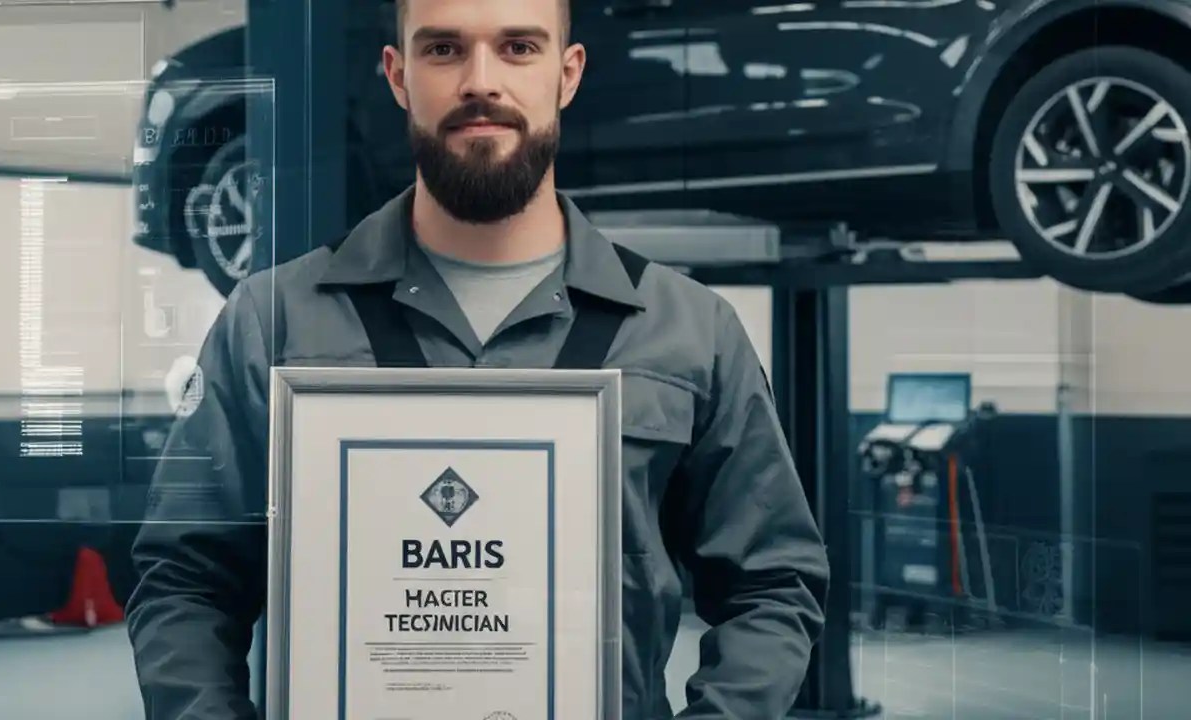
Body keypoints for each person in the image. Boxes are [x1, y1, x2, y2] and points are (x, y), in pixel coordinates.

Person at [125, 0, 830, 717]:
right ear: (398, 76)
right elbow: (185, 580)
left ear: (568, 72)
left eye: (519, 47)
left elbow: (771, 585)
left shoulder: (689, 331)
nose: (480, 81)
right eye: (443, 50)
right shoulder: (271, 322)